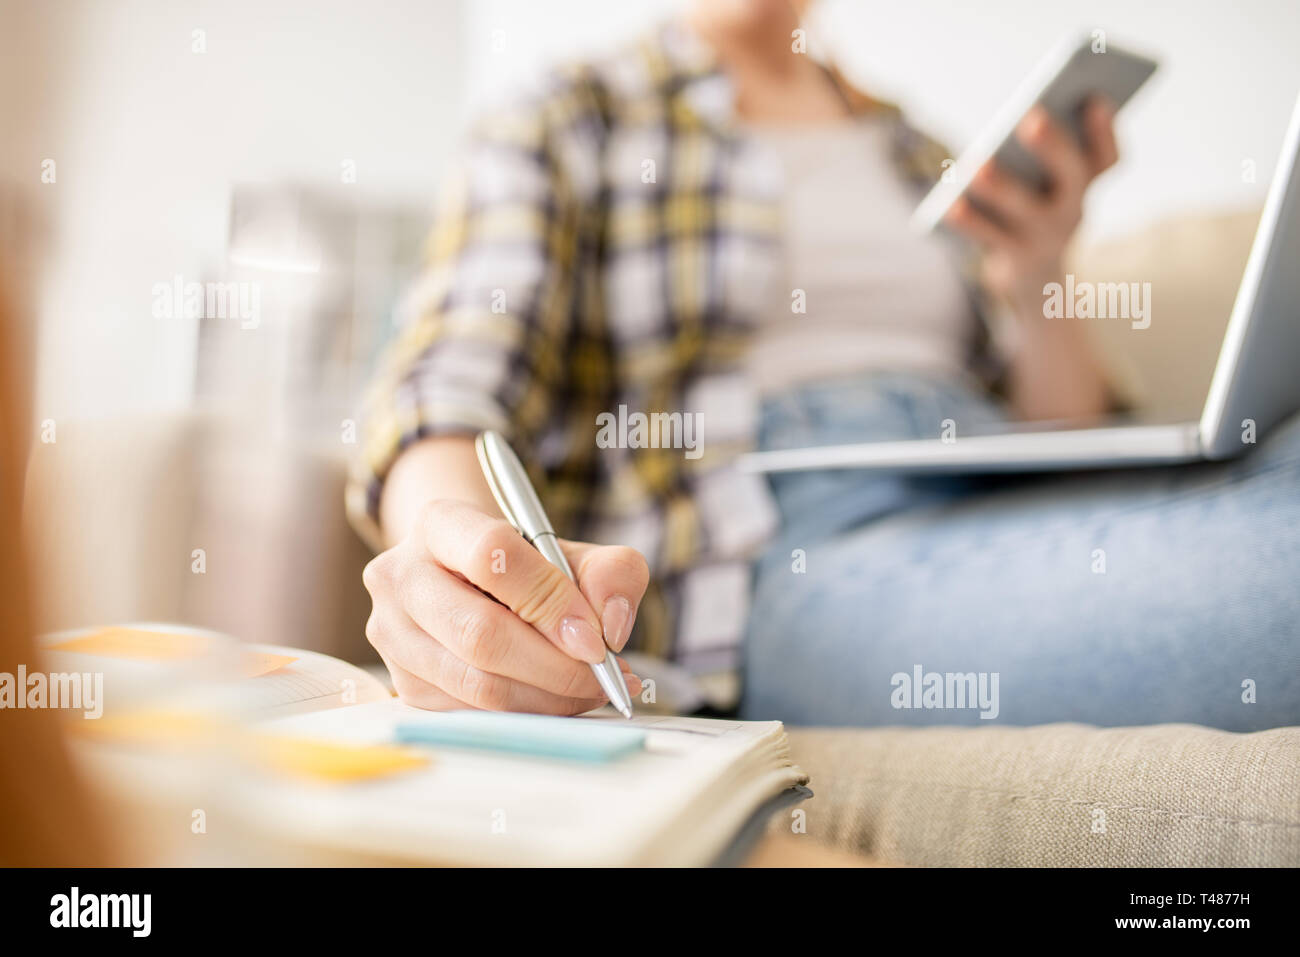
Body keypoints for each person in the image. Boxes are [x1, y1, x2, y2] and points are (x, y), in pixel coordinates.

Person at [349, 0, 1300, 731]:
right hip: (800, 538)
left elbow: (1066, 435)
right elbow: (449, 388)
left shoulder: (916, 146)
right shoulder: (571, 115)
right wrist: (459, 558)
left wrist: (1037, 272)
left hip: (999, 480)